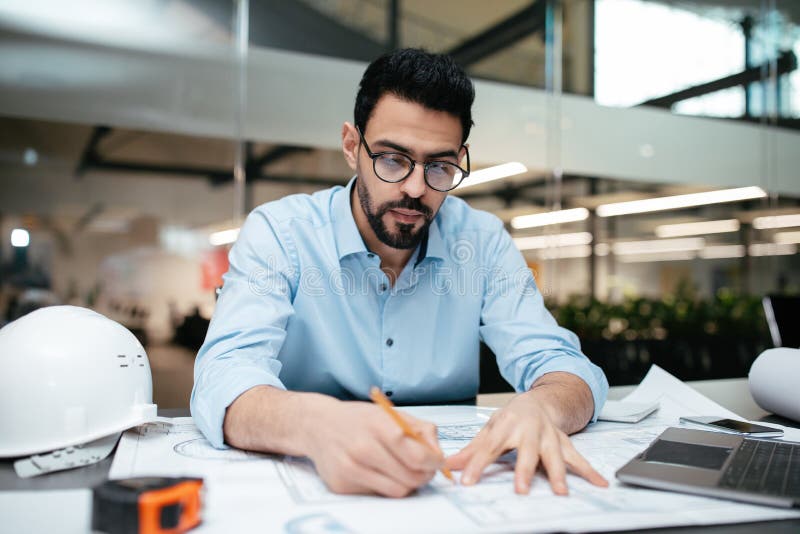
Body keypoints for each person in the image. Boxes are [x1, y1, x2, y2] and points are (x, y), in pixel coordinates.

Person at [192, 48, 609, 498]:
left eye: (440, 166)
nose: (415, 188)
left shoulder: (483, 241)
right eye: (392, 159)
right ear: (352, 147)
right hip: (311, 489)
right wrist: (314, 423)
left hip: (453, 490)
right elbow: (224, 374)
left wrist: (543, 407)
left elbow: (563, 365)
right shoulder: (281, 234)